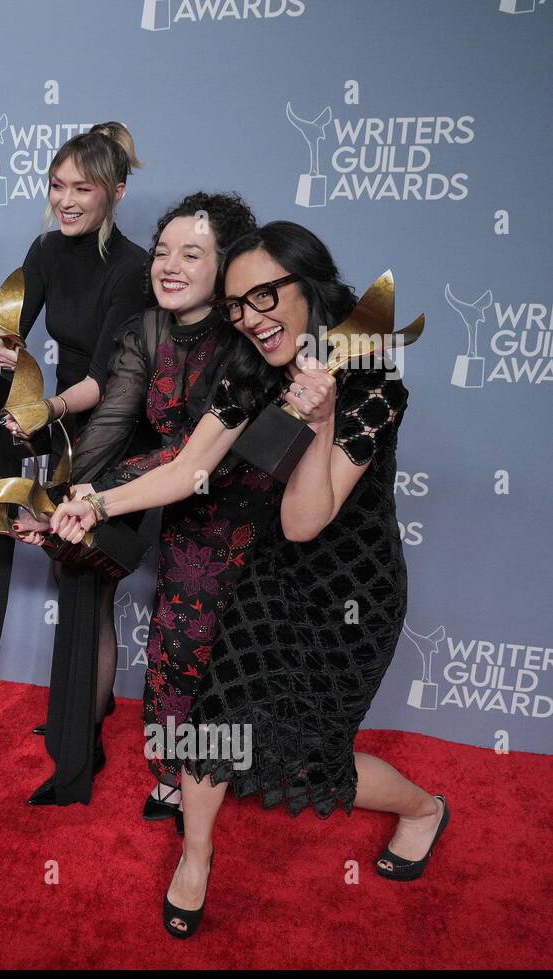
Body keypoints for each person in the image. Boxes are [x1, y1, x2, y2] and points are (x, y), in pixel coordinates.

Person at [52, 221, 448, 937]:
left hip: (348, 591)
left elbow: (306, 519)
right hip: (269, 578)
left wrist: (320, 421)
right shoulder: (248, 367)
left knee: (308, 759)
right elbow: (187, 469)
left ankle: (423, 808)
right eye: (238, 304)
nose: (252, 317)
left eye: (265, 295)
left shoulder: (373, 382)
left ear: (313, 286)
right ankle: (196, 858)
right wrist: (97, 500)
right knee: (213, 727)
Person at [18, 193, 265, 809]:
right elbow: (111, 424)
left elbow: (198, 457)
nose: (170, 266)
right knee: (174, 645)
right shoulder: (146, 330)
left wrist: (91, 501)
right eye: (161, 253)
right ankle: (172, 771)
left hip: (254, 516)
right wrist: (64, 497)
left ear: (227, 266)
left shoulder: (249, 342)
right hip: (182, 508)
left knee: (236, 650)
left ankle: (219, 782)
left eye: (192, 254)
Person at [0, 122, 150, 754]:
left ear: (114, 192)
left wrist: (41, 407)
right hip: (63, 425)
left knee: (94, 580)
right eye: (57, 185)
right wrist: (10, 355)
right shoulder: (47, 250)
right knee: (71, 572)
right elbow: (13, 329)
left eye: (82, 188)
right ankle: (89, 701)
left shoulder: (136, 269)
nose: (66, 200)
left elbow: (109, 382)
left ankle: (81, 728)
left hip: (117, 432)